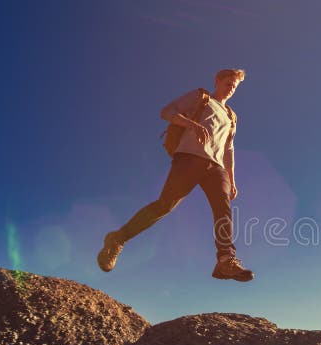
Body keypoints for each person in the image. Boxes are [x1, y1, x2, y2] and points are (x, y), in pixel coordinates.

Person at [97, 69, 254, 281]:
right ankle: (118, 239)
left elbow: (229, 150)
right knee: (165, 205)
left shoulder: (231, 117)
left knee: (223, 208)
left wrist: (232, 180)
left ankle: (225, 260)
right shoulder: (201, 97)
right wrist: (191, 124)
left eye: (235, 86)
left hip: (216, 167)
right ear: (217, 81)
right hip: (190, 157)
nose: (231, 88)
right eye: (228, 83)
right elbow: (166, 112)